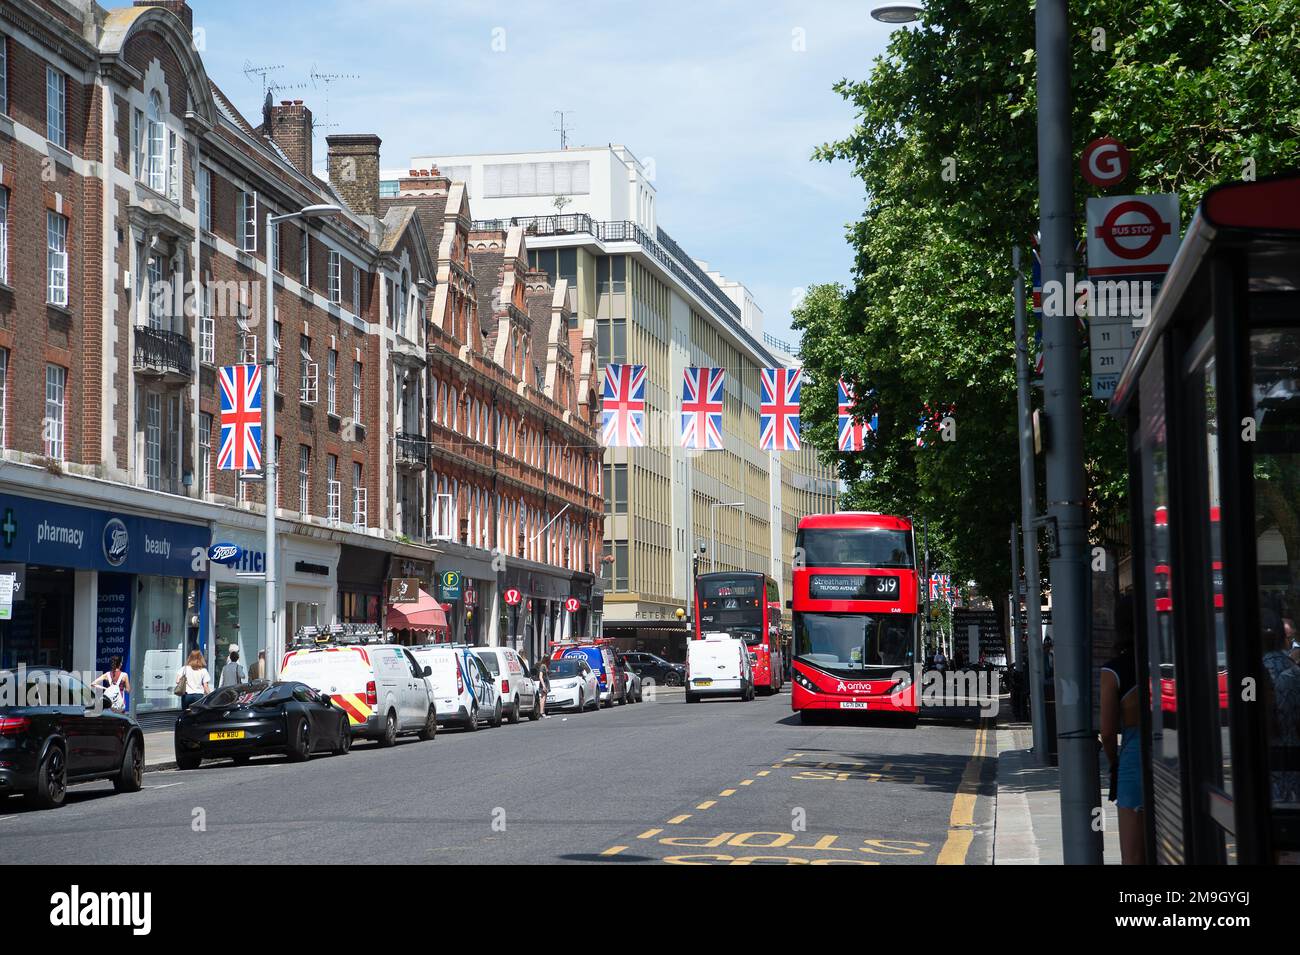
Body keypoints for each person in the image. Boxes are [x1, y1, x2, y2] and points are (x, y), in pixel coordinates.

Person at [1100, 592, 1143, 864]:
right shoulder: (1173, 661)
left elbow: (1106, 732)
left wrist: (1115, 760)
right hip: (1174, 750)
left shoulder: (1113, 670)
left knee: (1133, 855)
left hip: (1133, 757)